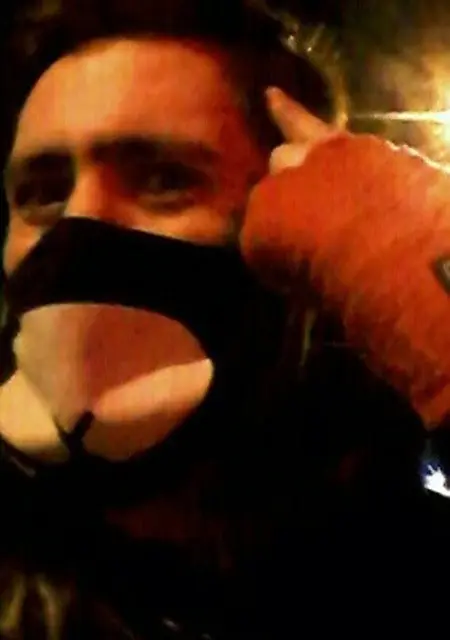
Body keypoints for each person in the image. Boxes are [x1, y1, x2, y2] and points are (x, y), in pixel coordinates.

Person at [0, 0, 449, 637]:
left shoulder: (408, 572)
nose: (79, 225)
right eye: (43, 193)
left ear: (300, 227)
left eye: (164, 178)